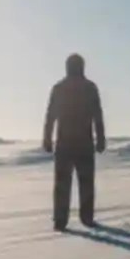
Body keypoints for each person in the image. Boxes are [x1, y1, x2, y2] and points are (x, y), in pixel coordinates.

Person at [43, 53, 106, 231]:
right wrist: (100, 139)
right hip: (83, 144)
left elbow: (50, 116)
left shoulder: (60, 88)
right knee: (85, 182)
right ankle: (86, 218)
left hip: (65, 144)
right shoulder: (89, 87)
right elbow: (98, 116)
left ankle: (60, 220)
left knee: (63, 183)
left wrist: (47, 139)